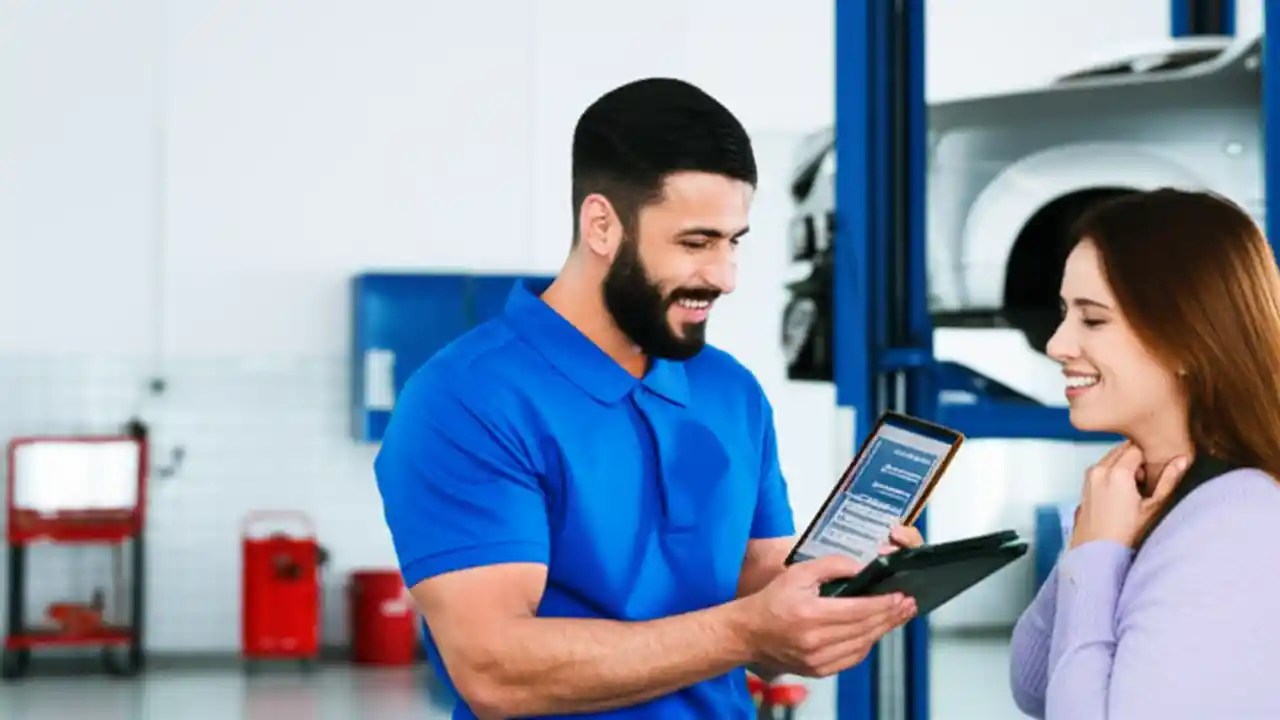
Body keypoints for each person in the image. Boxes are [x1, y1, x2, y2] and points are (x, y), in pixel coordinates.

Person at [373, 77, 921, 720]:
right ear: (601, 224)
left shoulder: (730, 391)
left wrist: (839, 591)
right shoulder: (464, 400)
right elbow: (496, 671)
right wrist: (746, 631)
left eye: (733, 241)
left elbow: (763, 610)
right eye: (695, 243)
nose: (724, 276)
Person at [1008, 188, 1280, 718]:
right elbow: (1035, 684)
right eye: (1065, 313)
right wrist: (1089, 548)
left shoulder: (1236, 518)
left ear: (1185, 339)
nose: (1057, 344)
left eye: (1093, 319)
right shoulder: (1148, 495)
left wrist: (1097, 554)